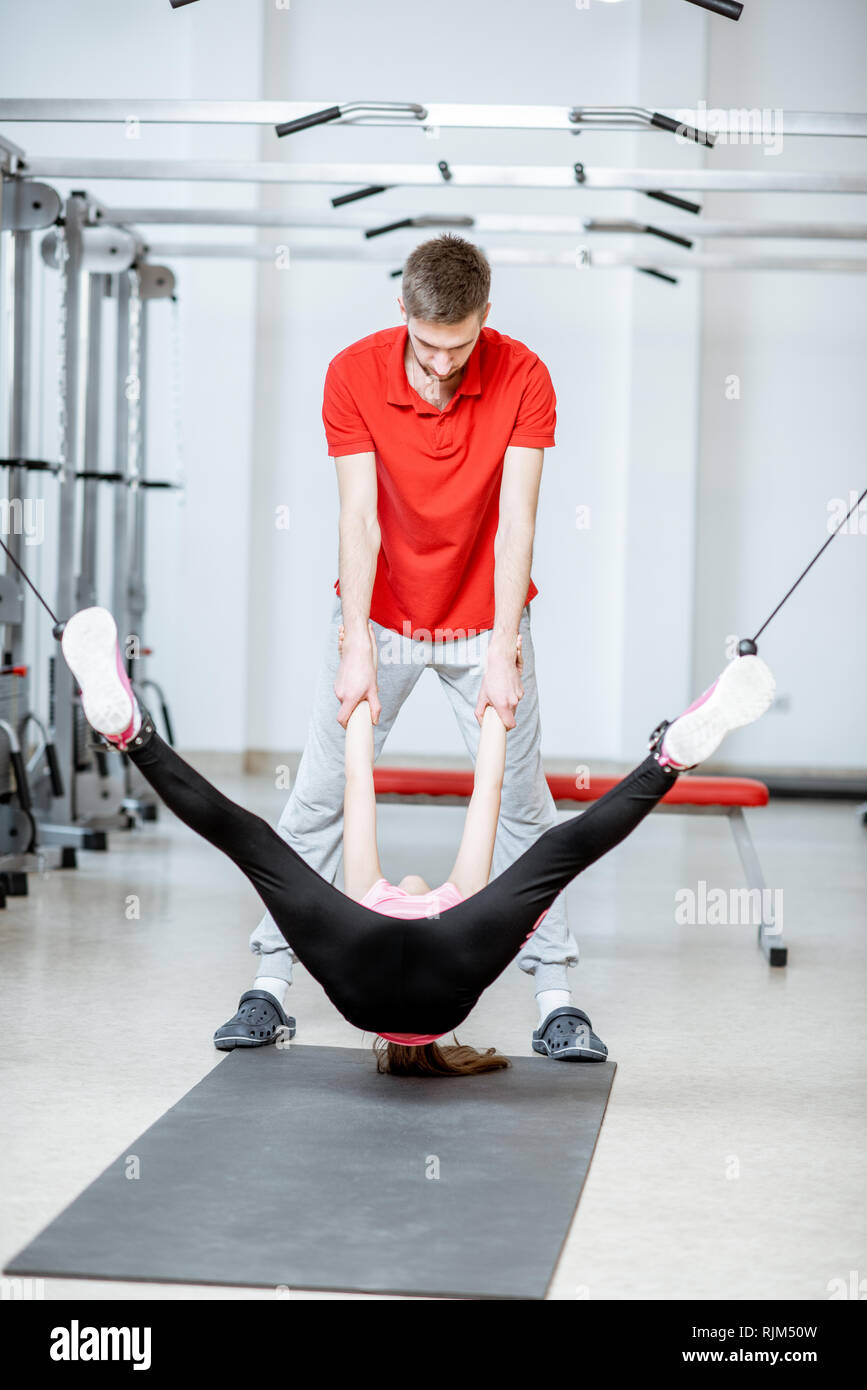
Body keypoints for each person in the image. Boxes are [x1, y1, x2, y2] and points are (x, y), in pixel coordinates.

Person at [60, 605, 776, 1077]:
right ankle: (134, 737)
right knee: (250, 843)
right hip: (356, 981)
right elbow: (365, 788)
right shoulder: (373, 918)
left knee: (558, 855)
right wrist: (376, 701)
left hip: (447, 986)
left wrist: (421, 688)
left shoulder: (444, 920)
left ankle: (668, 761)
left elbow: (476, 801)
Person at [220, 233, 591, 1061]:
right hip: (379, 615)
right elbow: (358, 518)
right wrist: (355, 641)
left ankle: (556, 999)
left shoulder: (524, 375)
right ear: (403, 315)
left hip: (484, 619)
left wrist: (504, 645)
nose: (442, 363)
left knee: (526, 809)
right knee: (317, 796)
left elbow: (517, 522)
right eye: (427, 345)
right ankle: (267, 987)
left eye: (459, 345)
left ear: (484, 318)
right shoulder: (353, 373)